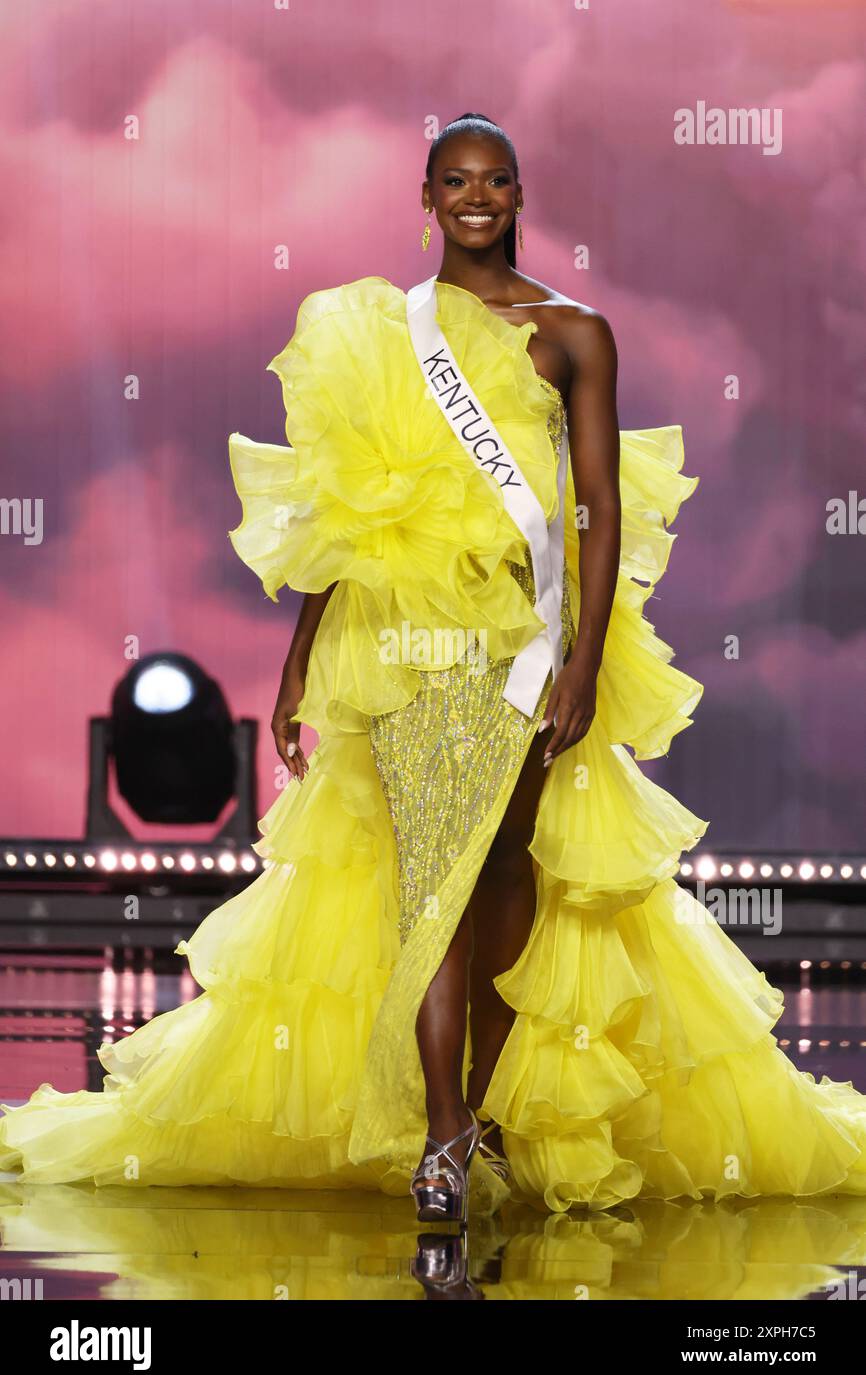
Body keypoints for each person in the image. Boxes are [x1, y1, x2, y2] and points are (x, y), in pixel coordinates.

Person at [3, 113, 866, 1223]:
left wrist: (582, 664)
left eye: (493, 181)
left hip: (525, 645)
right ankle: (442, 1131)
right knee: (433, 893)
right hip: (404, 647)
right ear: (425, 197)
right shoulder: (378, 332)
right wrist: (298, 658)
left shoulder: (573, 334)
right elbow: (353, 512)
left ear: (518, 195)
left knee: (510, 878)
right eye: (453, 180)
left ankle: (493, 1109)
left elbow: (596, 515)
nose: (473, 197)